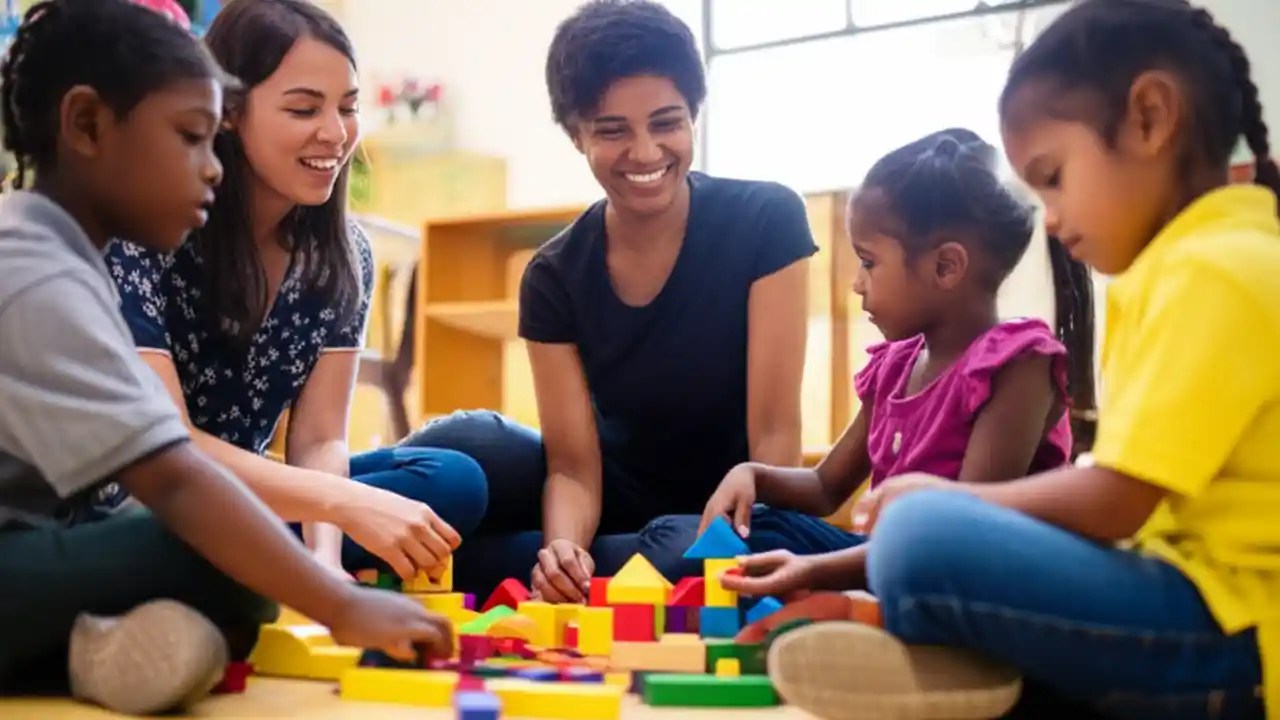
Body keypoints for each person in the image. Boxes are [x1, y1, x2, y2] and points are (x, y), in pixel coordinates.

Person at [735, 1, 1279, 718]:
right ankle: (956, 657)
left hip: (1224, 629)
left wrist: (950, 501)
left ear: (1149, 119)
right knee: (916, 534)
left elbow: (1118, 499)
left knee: (920, 535)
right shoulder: (1203, 262)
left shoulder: (1214, 268)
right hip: (1188, 599)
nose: (1048, 218)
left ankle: (944, 658)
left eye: (1053, 177)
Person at [0, 1, 452, 715]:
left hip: (49, 536)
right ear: (86, 126)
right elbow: (171, 477)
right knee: (213, 554)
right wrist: (339, 604)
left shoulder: (56, 249)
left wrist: (319, 565)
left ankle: (91, 645)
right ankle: (84, 651)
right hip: (40, 541)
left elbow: (301, 444)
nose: (214, 169)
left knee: (244, 550)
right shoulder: (35, 269)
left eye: (214, 141)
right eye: (190, 138)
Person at [401, 0, 817, 602]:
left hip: (715, 519)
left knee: (677, 551)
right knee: (471, 443)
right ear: (576, 135)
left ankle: (485, 566)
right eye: (612, 130)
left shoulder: (766, 221)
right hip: (609, 499)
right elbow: (572, 467)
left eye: (666, 122)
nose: (645, 152)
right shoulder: (553, 274)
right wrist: (562, 548)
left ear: (694, 115)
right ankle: (316, 506)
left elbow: (776, 436)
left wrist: (746, 547)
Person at [104, 0, 487, 581]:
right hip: (136, 507)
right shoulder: (145, 226)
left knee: (458, 477)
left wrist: (323, 560)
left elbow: (320, 440)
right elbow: (166, 445)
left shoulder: (341, 253)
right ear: (228, 111)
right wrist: (343, 505)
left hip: (252, 502)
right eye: (305, 108)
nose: (334, 134)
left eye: (348, 108)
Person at [698, 127, 1094, 583]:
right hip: (889, 556)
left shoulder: (1018, 366)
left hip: (960, 567)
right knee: (755, 530)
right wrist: (753, 475)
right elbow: (826, 487)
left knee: (878, 553)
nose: (856, 283)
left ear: (946, 267)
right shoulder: (896, 365)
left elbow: (959, 534)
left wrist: (812, 571)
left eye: (868, 262)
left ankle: (841, 605)